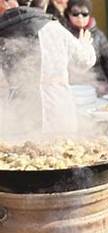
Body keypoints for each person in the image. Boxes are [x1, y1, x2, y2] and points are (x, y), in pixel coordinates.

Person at [0, 0, 95, 136]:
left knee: (22, 154)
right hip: (58, 111)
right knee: (64, 153)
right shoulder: (54, 28)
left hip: (19, 115)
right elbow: (84, 61)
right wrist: (85, 45)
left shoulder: (3, 29)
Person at [64, 0, 108, 94]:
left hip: (97, 85)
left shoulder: (99, 35)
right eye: (75, 13)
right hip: (72, 87)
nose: (80, 17)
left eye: (85, 13)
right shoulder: (63, 34)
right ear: (68, 14)